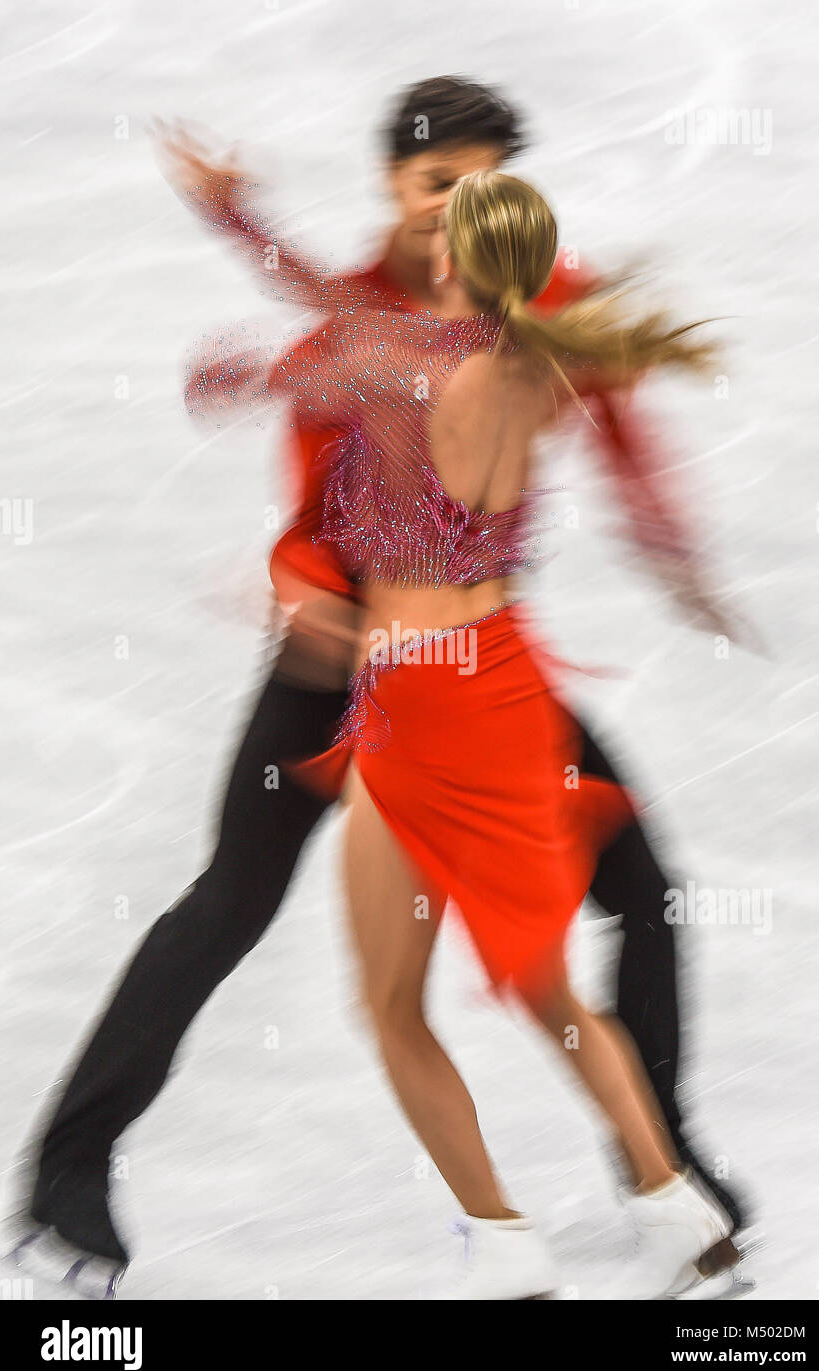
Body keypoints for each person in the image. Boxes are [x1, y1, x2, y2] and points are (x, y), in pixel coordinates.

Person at [16, 79, 745, 1298]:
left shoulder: (461, 317)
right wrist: (300, 590)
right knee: (231, 900)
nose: (449, 204)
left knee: (633, 893)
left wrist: (667, 543)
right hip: (344, 657)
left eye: (475, 183)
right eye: (431, 182)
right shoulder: (382, 322)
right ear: (393, 186)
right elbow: (318, 481)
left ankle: (651, 1166)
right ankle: (69, 1168)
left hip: (447, 676)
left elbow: (601, 404)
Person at [200, 164, 743, 1299]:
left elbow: (314, 323)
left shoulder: (401, 364)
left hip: (418, 697)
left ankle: (501, 1242)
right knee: (546, 985)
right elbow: (336, 323)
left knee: (392, 1005)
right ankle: (672, 1208)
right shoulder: (546, 366)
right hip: (505, 682)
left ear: (450, 260)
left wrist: (234, 236)